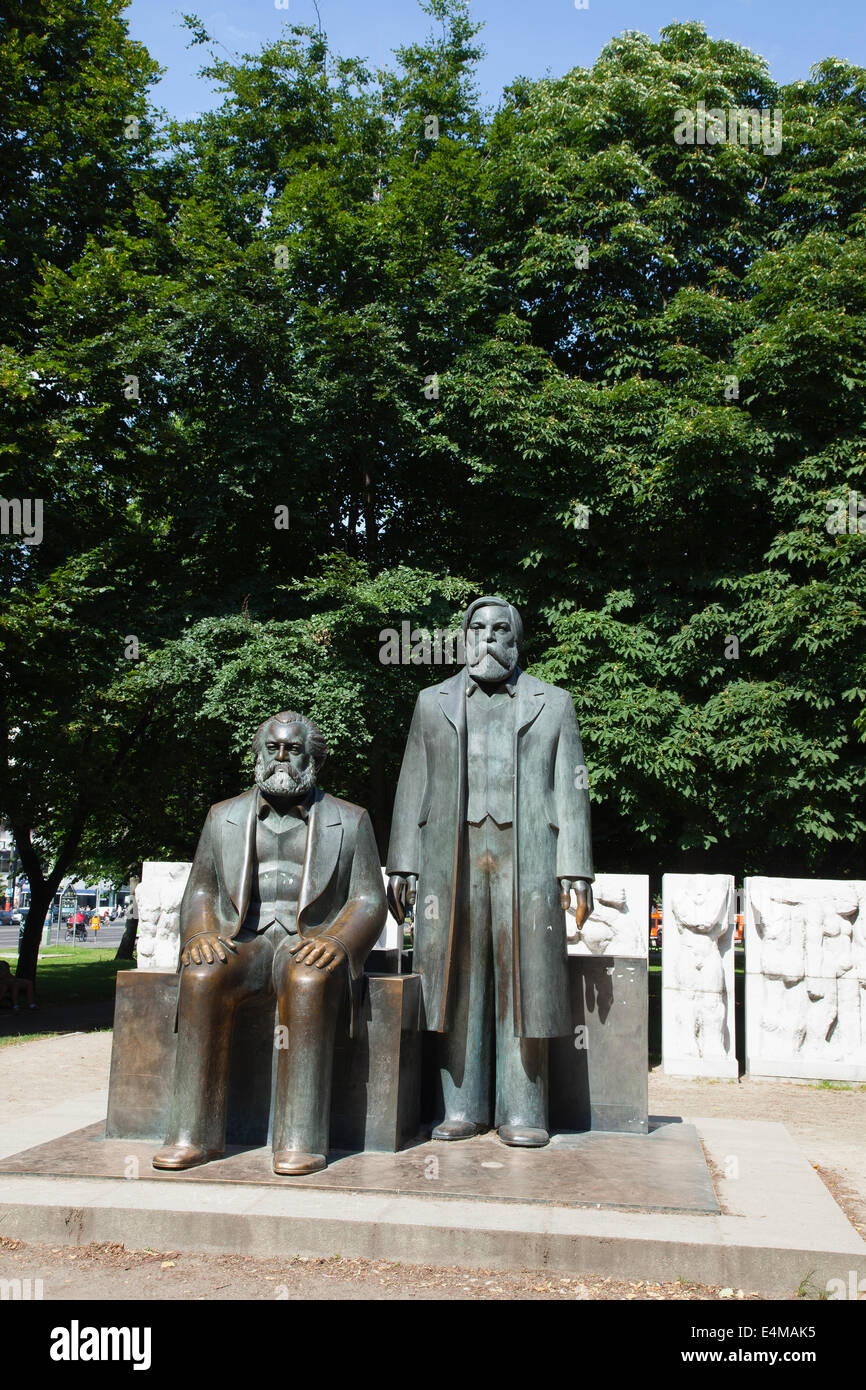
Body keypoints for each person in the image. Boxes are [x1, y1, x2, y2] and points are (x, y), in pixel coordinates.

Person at [387, 596, 594, 1148]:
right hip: (450, 854)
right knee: (457, 977)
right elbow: (413, 782)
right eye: (477, 628)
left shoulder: (554, 703)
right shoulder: (431, 703)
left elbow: (572, 791)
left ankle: (524, 1110)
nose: (487, 638)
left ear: (516, 639)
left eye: (500, 629)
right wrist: (403, 860)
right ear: (464, 637)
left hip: (528, 856)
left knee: (525, 979)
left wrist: (576, 866)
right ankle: (462, 1107)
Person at [153, 711, 386, 1176]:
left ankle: (300, 1139)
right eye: (272, 748)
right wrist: (200, 934)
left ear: (313, 757)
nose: (281, 758)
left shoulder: (351, 819)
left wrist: (339, 941)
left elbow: (368, 900)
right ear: (258, 754)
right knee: (201, 976)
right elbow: (200, 890)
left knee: (307, 979)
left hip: (309, 939)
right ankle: (192, 1134)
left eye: (293, 749)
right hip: (245, 940)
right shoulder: (223, 816)